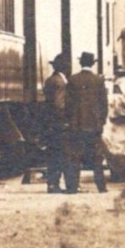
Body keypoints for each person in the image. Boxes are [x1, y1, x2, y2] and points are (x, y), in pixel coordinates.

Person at [62, 52, 109, 194]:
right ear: (93, 63)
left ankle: (72, 187)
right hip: (94, 125)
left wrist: (69, 121)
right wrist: (101, 121)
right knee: (97, 157)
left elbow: (68, 104)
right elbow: (104, 105)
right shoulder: (98, 80)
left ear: (81, 63)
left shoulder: (72, 80)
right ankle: (101, 186)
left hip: (76, 125)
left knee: (74, 156)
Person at [41, 53, 71, 192]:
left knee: (53, 153)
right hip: (59, 124)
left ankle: (52, 183)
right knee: (60, 154)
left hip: (50, 123)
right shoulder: (60, 82)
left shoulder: (50, 80)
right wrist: (65, 120)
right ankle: (54, 184)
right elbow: (59, 104)